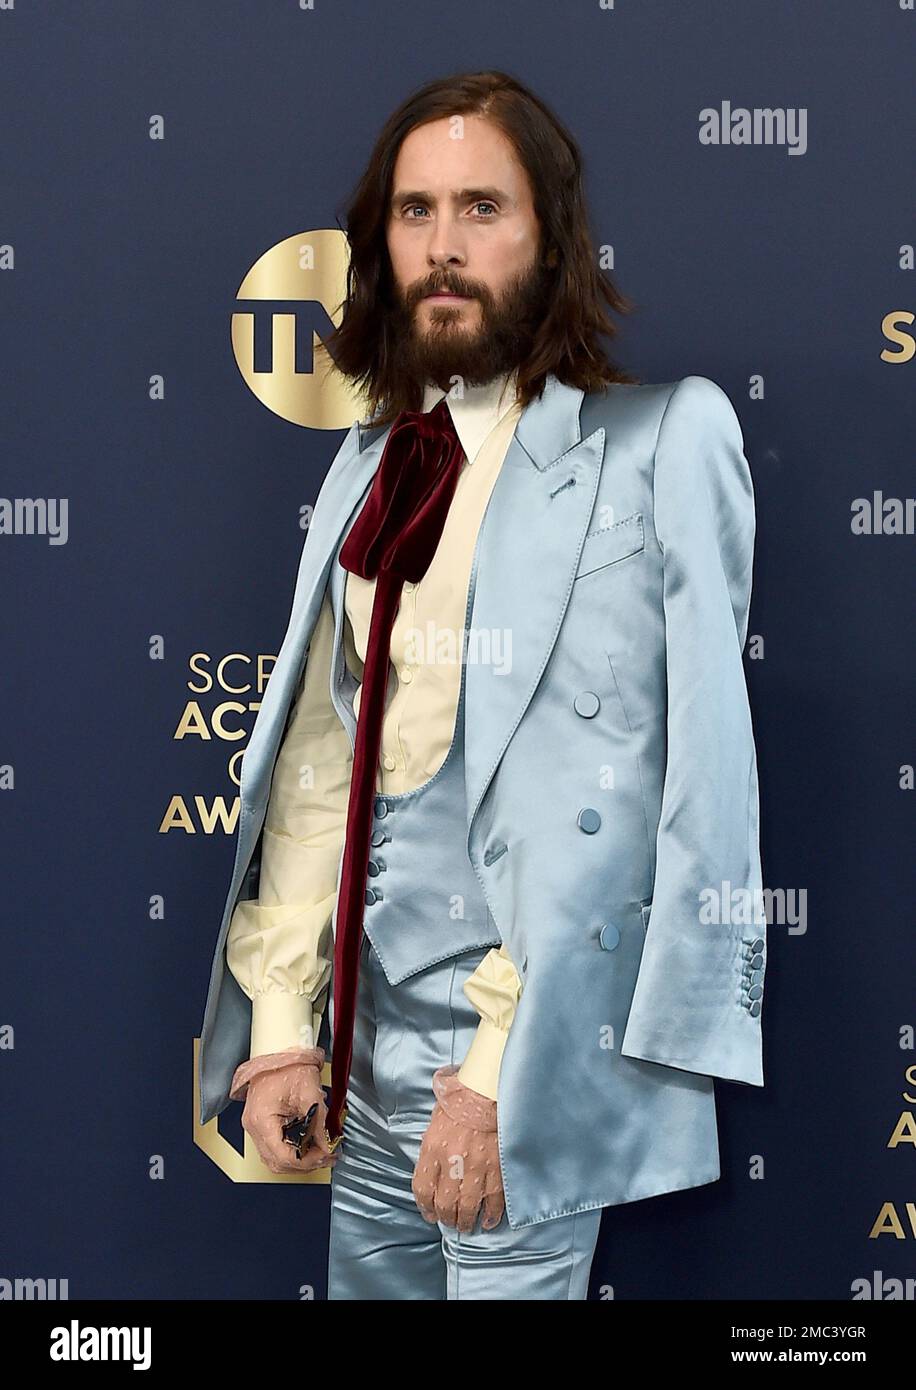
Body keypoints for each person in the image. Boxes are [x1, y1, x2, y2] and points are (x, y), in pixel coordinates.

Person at [198, 69, 766, 1301]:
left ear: (551, 239)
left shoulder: (664, 441)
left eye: (480, 208)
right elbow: (318, 764)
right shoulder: (368, 469)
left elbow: (670, 790)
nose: (443, 248)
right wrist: (287, 1027)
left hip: (523, 1051)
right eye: (413, 213)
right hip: (363, 1046)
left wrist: (504, 1072)